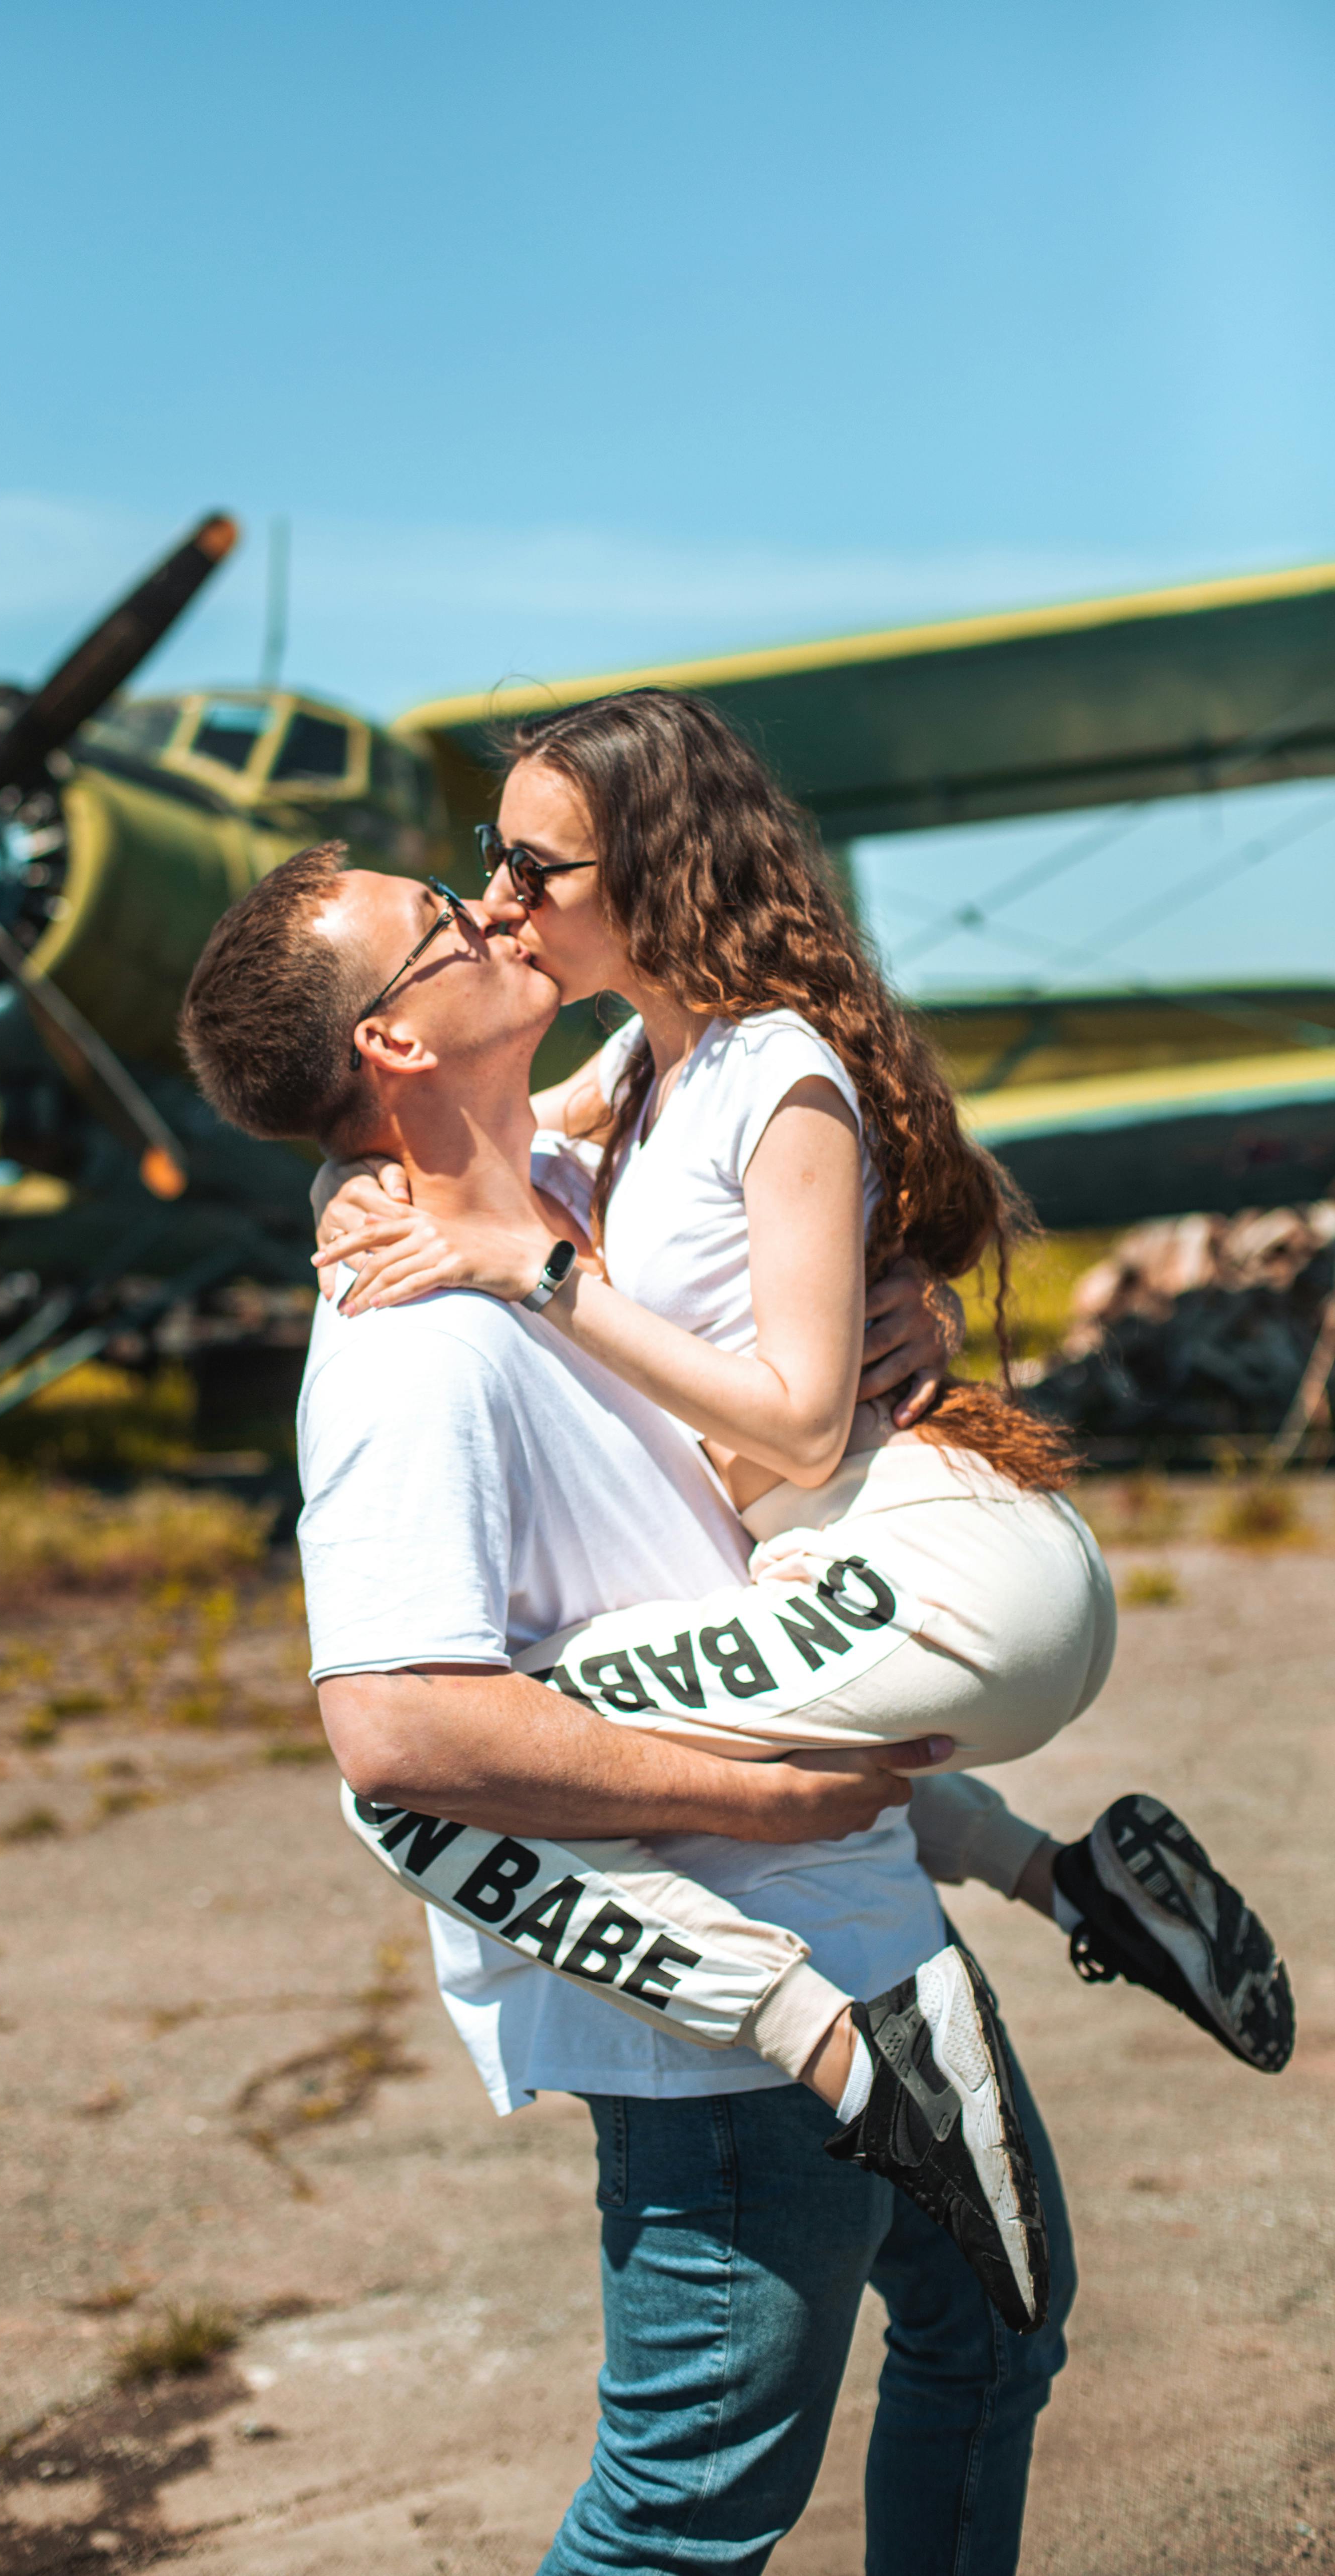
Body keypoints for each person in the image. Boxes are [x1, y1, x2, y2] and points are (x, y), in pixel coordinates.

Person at [181, 842, 1079, 2573]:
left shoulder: (582, 1201)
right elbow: (396, 1732)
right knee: (686, 2514)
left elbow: (773, 1367)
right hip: (730, 2022)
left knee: (994, 2342)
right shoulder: (404, 1345)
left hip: (865, 1918)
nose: (489, 907)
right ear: (394, 1043)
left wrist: (901, 1317)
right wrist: (764, 1803)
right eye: (445, 918)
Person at [312, 691, 1292, 2134]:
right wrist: (346, 1182)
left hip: (937, 1575)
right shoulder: (644, 1071)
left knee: (445, 1751)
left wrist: (536, 1273)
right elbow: (451, 1126)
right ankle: (1069, 1881)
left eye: (534, 868)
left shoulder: (771, 1065)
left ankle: (840, 2046)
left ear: (653, 874)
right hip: (880, 1574)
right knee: (625, 1728)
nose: (498, 901)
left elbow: (801, 1426)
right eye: (490, 858)